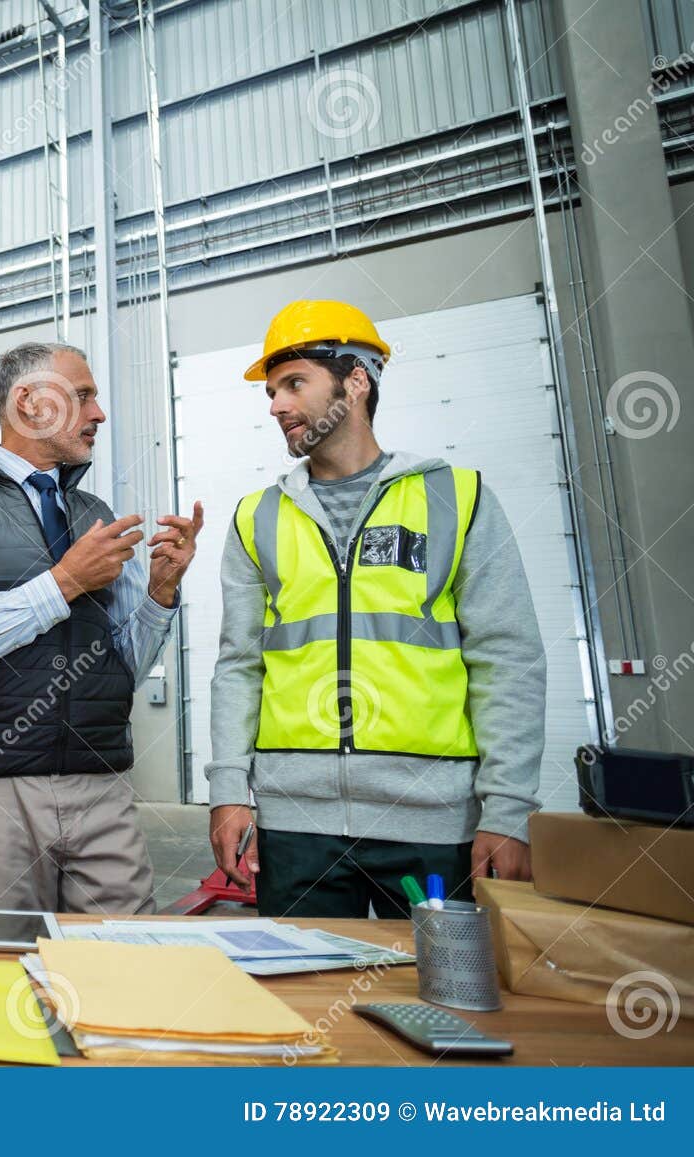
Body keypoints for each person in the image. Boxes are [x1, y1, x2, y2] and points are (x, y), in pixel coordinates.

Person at [206, 300, 546, 918]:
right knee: (302, 1000)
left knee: (443, 996)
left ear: (355, 381)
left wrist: (509, 808)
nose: (277, 405)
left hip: (433, 824)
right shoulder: (256, 517)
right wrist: (229, 791)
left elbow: (508, 657)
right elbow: (239, 665)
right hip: (296, 823)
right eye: (272, 392)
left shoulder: (455, 497)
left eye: (294, 384)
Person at [0, 341, 202, 915]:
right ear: (30, 403)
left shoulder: (95, 515)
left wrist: (161, 593)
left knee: (125, 971)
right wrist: (63, 581)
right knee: (2, 975)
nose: (99, 414)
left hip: (103, 786)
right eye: (83, 395)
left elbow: (124, 668)